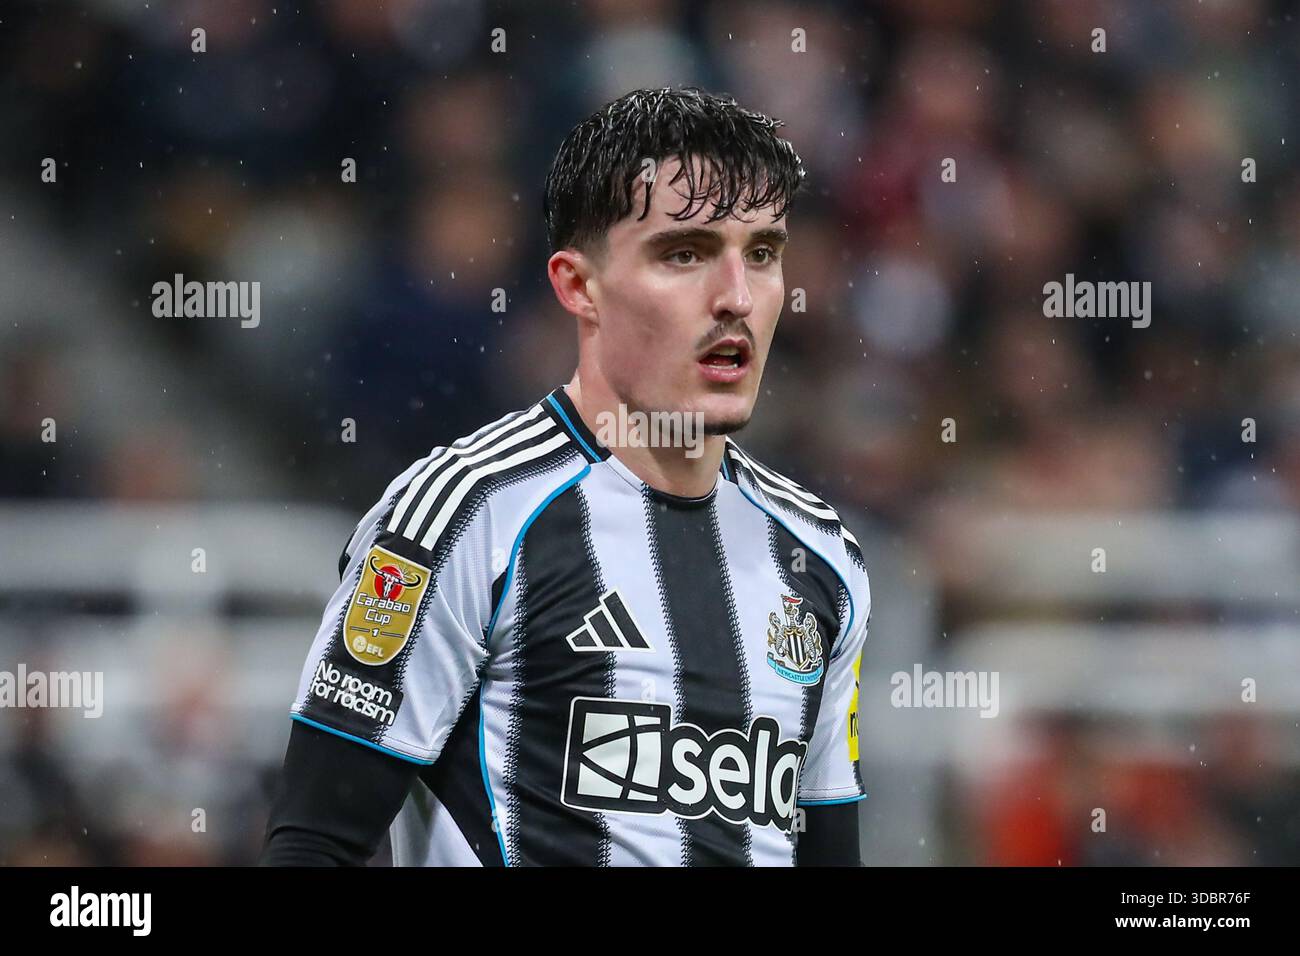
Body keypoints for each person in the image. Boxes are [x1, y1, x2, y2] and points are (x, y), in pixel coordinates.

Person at [261, 87, 870, 866]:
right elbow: (314, 844)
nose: (737, 298)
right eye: (684, 253)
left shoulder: (820, 556)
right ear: (578, 286)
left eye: (762, 253)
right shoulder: (462, 515)